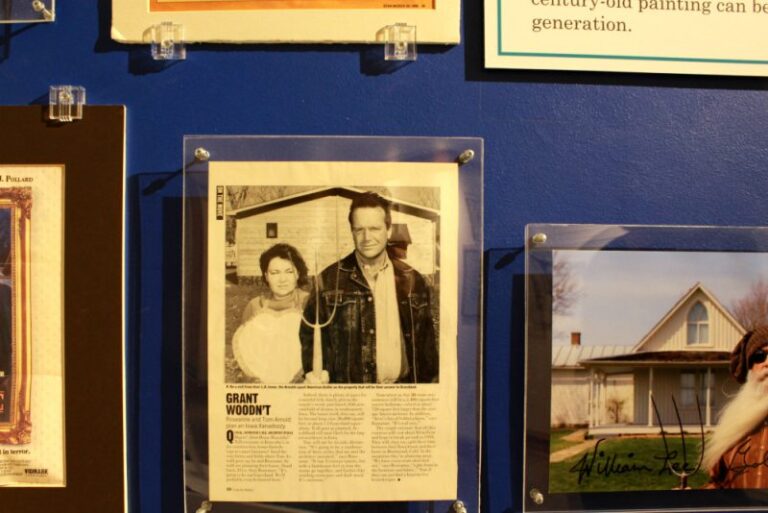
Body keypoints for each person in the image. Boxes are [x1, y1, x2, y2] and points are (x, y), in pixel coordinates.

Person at [300, 191, 438, 384]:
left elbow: (427, 346)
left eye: (374, 228)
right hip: (350, 399)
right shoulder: (329, 280)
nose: (366, 237)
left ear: (388, 230)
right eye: (359, 229)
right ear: (352, 231)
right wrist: (313, 372)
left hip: (403, 397)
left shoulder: (413, 280)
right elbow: (309, 334)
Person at [231, 243, 309, 383]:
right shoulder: (255, 306)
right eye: (275, 273)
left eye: (289, 271)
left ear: (297, 273)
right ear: (266, 276)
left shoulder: (310, 303)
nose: (282, 279)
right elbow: (246, 349)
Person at [703, 326, 768, 488]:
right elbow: (718, 485)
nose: (767, 363)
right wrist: (688, 500)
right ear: (750, 368)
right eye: (759, 356)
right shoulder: (732, 428)